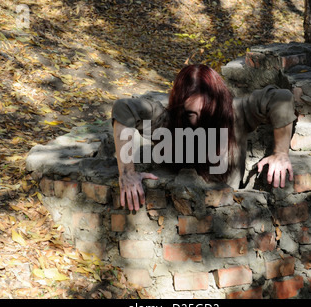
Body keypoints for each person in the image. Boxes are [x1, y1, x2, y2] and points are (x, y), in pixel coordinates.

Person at [112, 64, 297, 211]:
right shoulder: (166, 121)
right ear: (180, 108)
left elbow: (281, 97)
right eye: (192, 114)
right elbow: (123, 108)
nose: (201, 122)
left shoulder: (236, 114)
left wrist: (280, 153)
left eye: (208, 113)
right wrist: (127, 174)